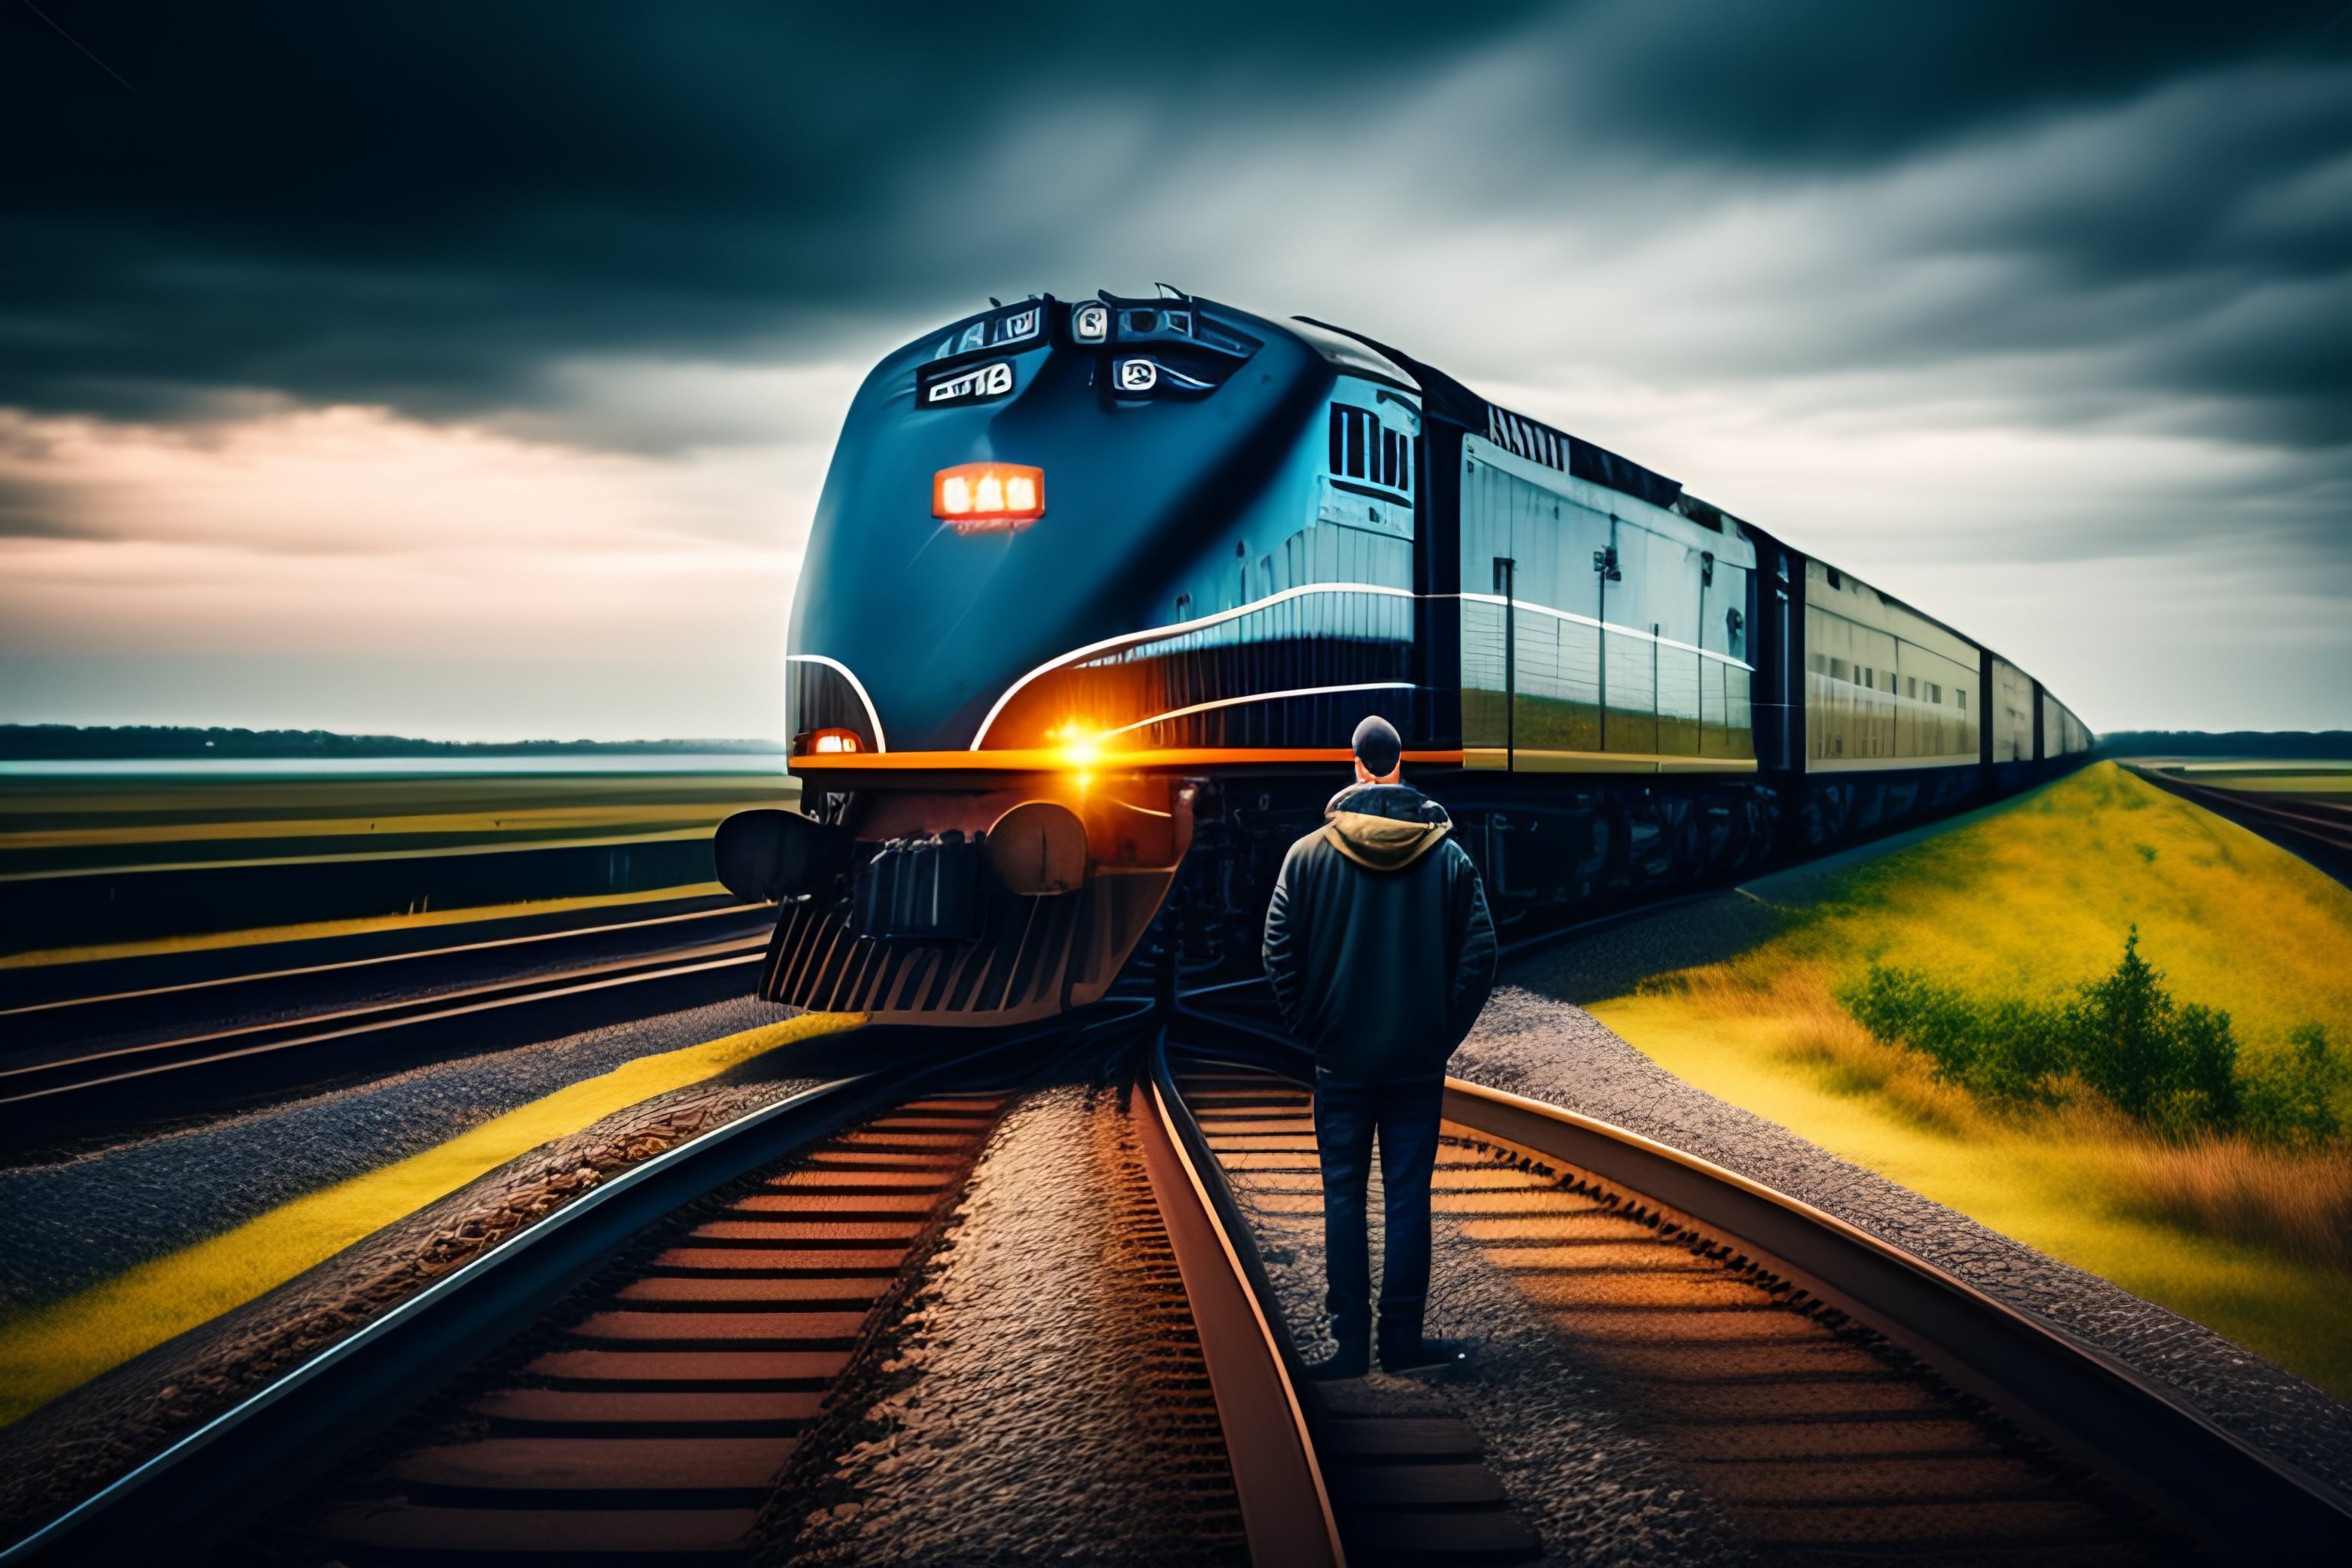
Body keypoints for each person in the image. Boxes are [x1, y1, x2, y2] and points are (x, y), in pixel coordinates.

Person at [1262, 714, 1498, 1377]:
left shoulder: (1306, 856)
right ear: (1399, 765)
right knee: (1407, 1194)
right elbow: (1480, 956)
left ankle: (1346, 1348)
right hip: (1414, 1064)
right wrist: (1436, 1035)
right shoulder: (1448, 857)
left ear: (1355, 764)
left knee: (1343, 1195)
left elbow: (1276, 952)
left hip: (1341, 1062)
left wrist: (1315, 1029)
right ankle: (1401, 1343)